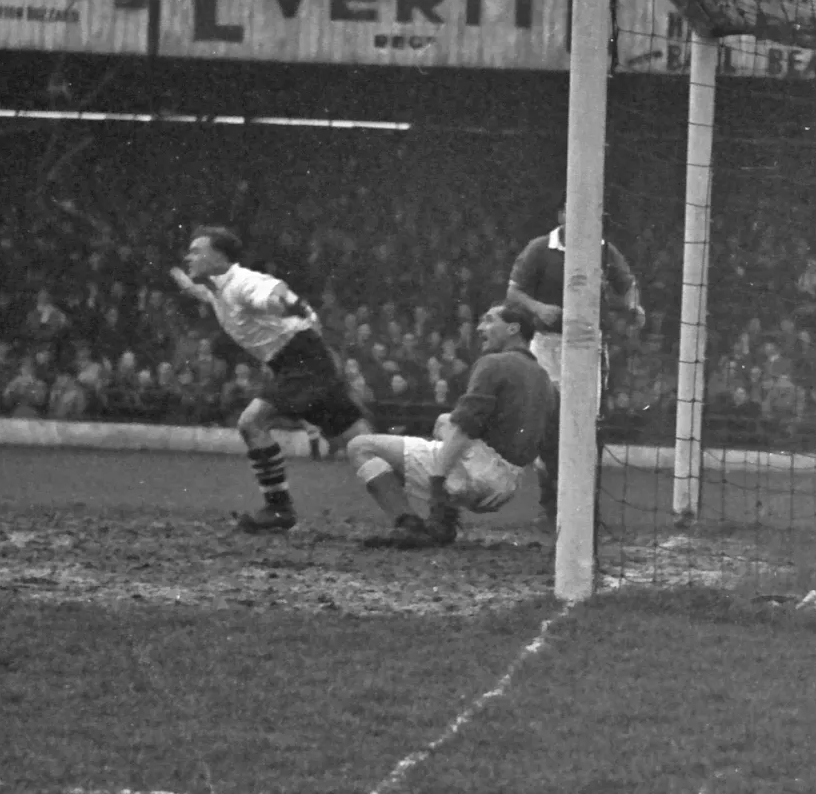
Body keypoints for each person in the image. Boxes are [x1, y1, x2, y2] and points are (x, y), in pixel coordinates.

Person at [169, 226, 371, 532]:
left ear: (219, 257)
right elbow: (205, 294)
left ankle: (279, 509)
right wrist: (186, 284)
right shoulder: (218, 289)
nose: (189, 256)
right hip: (301, 360)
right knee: (361, 442)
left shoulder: (242, 282)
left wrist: (286, 302)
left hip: (301, 360)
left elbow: (273, 292)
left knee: (252, 423)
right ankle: (429, 492)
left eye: (197, 251)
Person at [346, 304, 557, 548]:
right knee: (443, 421)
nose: (480, 328)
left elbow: (464, 428)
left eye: (489, 320)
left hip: (477, 472)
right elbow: (549, 445)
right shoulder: (545, 380)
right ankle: (445, 517)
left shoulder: (494, 363)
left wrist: (438, 482)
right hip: (507, 486)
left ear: (513, 328)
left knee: (361, 447)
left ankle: (410, 524)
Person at [505, 206, 642, 523]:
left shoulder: (604, 249)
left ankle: (584, 505)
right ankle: (550, 502)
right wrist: (538, 307)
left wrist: (633, 307)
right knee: (547, 423)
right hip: (548, 345)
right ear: (561, 216)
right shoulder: (541, 248)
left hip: (590, 345)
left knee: (587, 423)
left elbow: (628, 287)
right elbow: (513, 293)